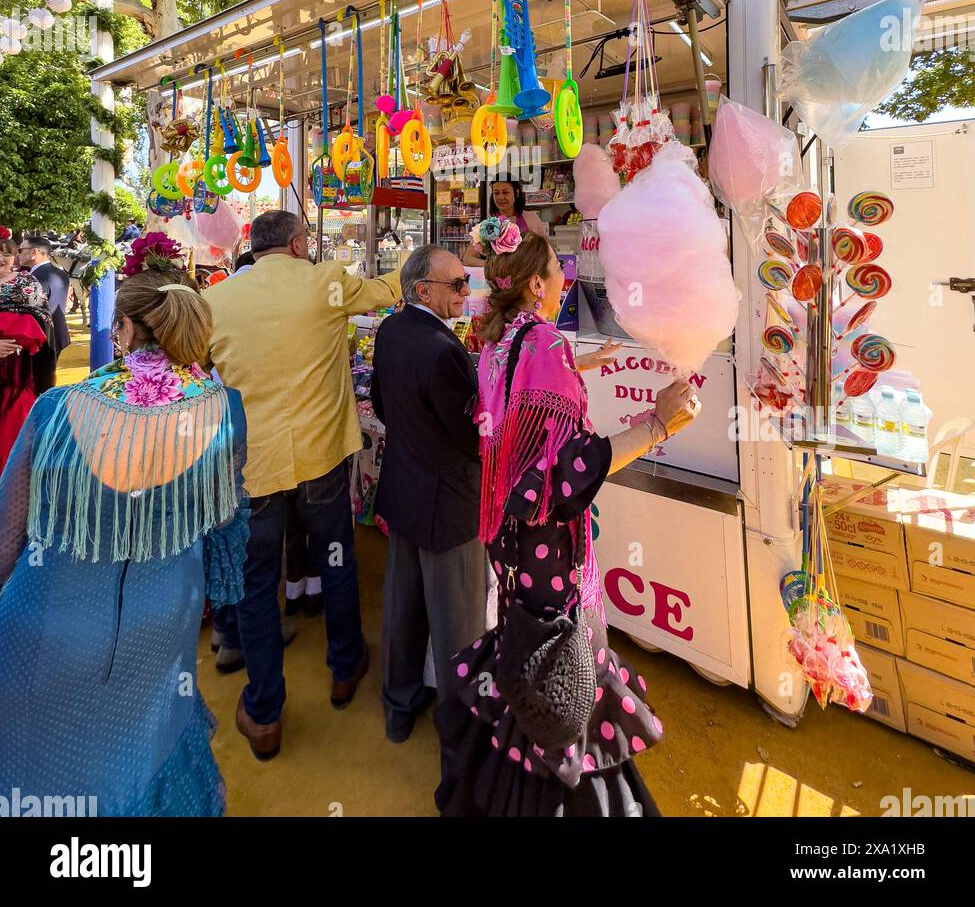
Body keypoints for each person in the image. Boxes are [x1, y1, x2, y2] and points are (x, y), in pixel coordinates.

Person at [435, 221, 701, 817]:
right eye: (558, 271)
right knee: (560, 657)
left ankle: (499, 782)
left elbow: (524, 410)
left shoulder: (500, 344)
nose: (565, 280)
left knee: (521, 639)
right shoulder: (547, 347)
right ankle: (563, 784)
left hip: (508, 538)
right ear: (535, 283)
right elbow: (566, 470)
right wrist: (657, 424)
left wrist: (583, 363)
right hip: (548, 544)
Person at [0, 236, 248, 815]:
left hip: (43, 625)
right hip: (163, 623)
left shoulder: (55, 410)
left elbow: (7, 538)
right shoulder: (223, 411)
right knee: (141, 767)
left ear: (128, 330)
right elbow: (226, 536)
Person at [206, 209, 401, 761]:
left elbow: (192, 371)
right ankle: (344, 667)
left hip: (253, 468)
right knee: (336, 562)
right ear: (297, 245)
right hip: (320, 462)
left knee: (255, 584)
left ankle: (265, 713)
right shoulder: (326, 282)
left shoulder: (215, 301)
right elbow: (390, 289)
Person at [370, 245, 486, 743]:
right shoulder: (442, 351)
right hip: (448, 505)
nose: (468, 292)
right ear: (424, 290)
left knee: (402, 605)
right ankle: (460, 735)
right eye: (458, 284)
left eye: (467, 281)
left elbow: (380, 400)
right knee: (457, 623)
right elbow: (471, 437)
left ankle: (399, 704)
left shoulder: (393, 329)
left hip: (404, 490)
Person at [0, 237, 55, 474]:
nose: (1, 259)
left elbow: (44, 323)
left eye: (6, 253)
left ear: (14, 257)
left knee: (15, 427)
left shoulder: (27, 282)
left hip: (18, 374)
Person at [463, 181, 546, 265]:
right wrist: (492, 265)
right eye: (496, 193)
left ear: (516, 193)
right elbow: (468, 258)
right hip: (499, 276)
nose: (500, 197)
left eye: (505, 192)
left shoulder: (531, 218)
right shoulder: (489, 225)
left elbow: (547, 250)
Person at [18, 235, 70, 360]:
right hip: (56, 334)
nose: (17, 255)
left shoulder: (33, 278)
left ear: (33, 252)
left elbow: (29, 310)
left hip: (39, 338)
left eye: (20, 250)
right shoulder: (61, 273)